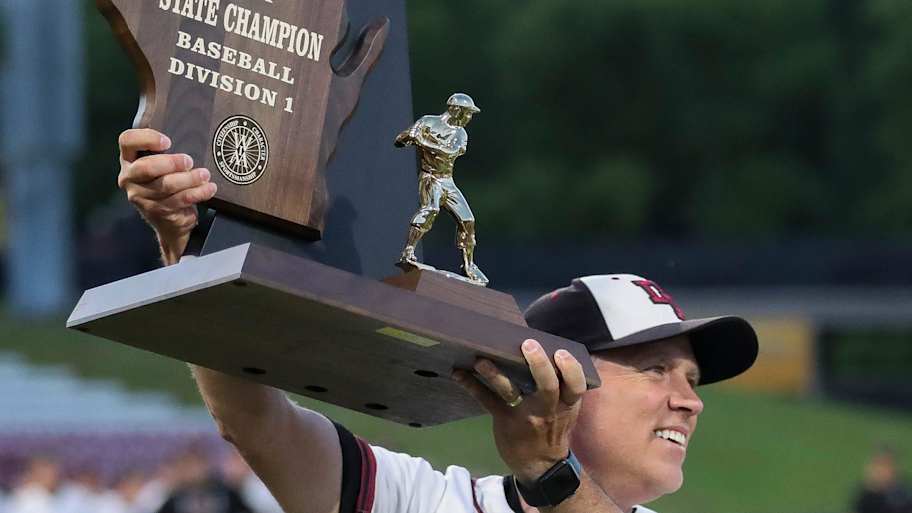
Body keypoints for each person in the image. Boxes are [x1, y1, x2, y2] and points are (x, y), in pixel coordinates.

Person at [116, 128, 760, 513]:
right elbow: (252, 420)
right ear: (554, 373)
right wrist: (187, 246)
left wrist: (553, 479)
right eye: (656, 370)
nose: (689, 402)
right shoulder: (422, 500)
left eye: (692, 380)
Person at [394, 93, 488, 285]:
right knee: (431, 209)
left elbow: (449, 152)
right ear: (455, 110)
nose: (468, 118)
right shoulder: (428, 122)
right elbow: (400, 139)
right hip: (430, 177)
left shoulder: (460, 133)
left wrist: (421, 141)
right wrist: (411, 135)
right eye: (467, 113)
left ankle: (469, 266)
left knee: (468, 220)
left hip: (447, 181)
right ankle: (408, 252)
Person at [854, 447, 912, 513]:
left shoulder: (903, 495)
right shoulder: (865, 496)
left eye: (885, 465)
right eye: (878, 464)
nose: (881, 470)